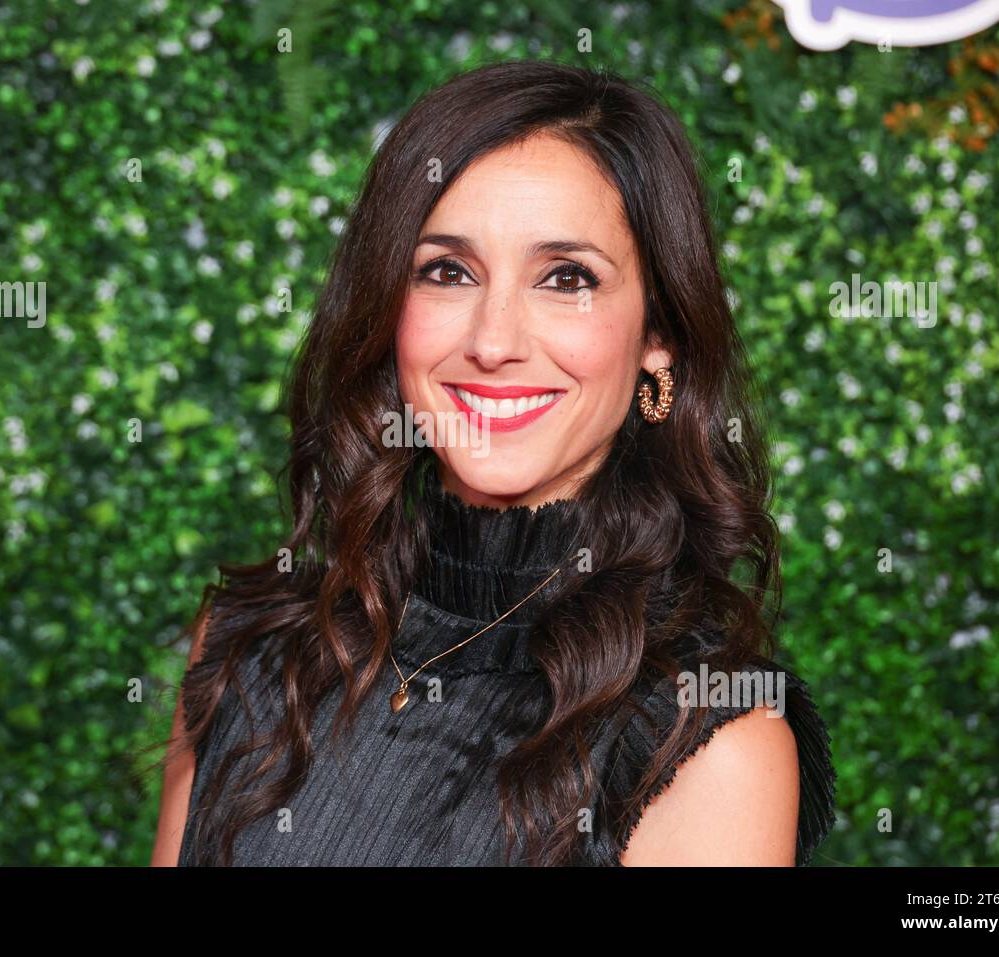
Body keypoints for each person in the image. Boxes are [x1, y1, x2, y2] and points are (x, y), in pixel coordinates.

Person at [151, 59, 837, 866]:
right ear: (387, 312)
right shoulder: (252, 645)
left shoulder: (707, 743)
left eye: (566, 277)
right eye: (447, 271)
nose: (493, 341)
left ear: (660, 340)